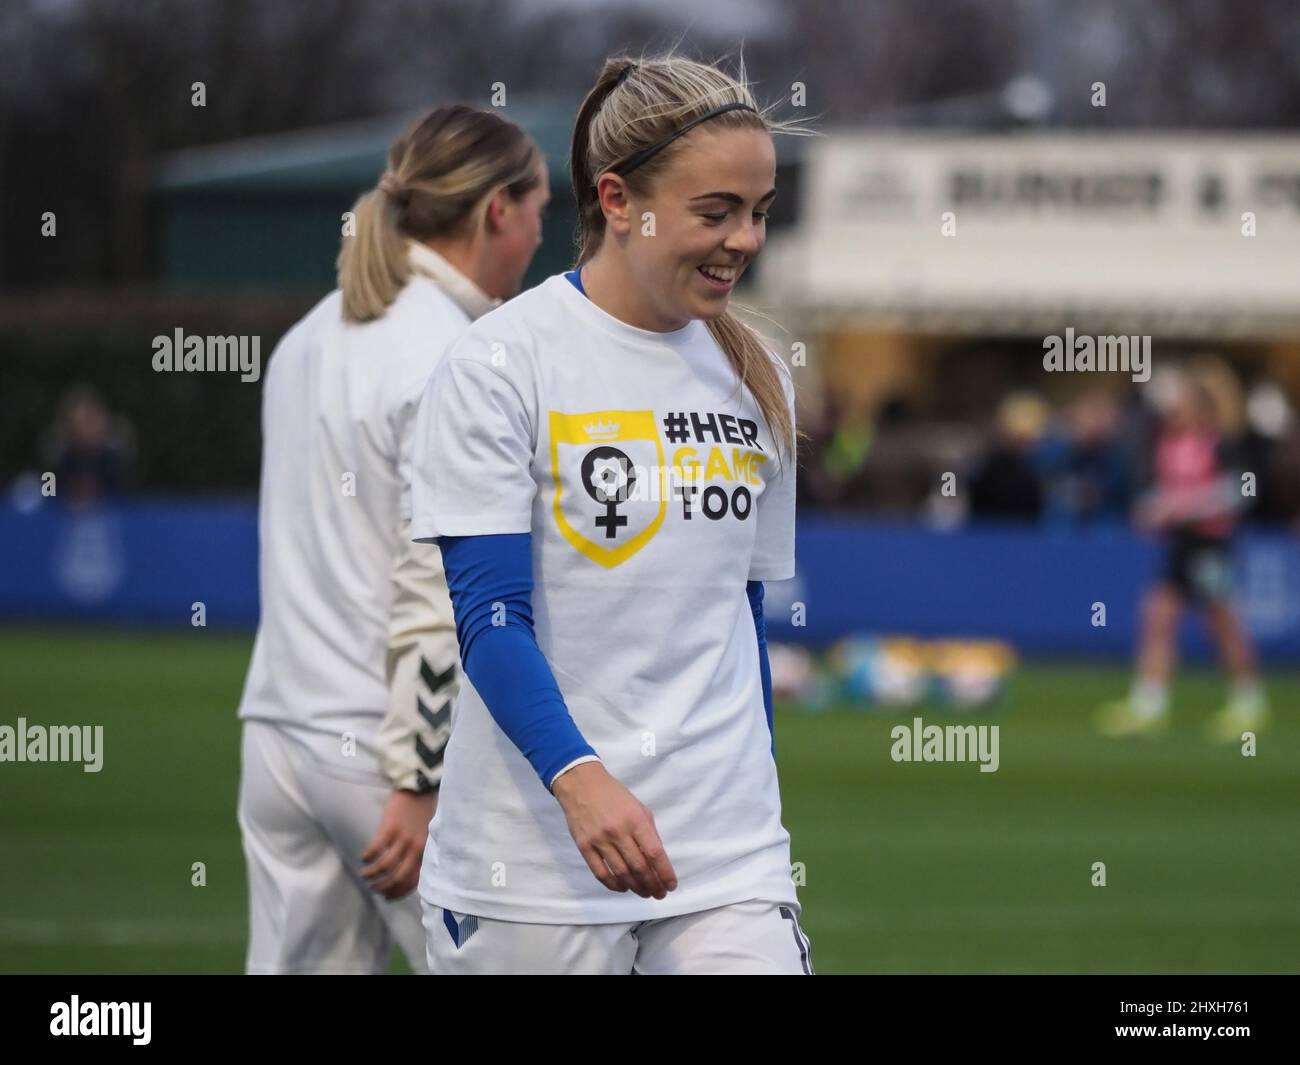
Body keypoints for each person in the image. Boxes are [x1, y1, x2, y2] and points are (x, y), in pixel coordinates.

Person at [409, 52, 814, 975]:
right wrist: (580, 780)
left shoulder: (760, 376)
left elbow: (742, 614)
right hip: (531, 864)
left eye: (760, 210)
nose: (745, 238)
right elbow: (490, 619)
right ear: (619, 199)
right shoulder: (500, 363)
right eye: (716, 211)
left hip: (725, 856)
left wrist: (754, 808)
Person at [235, 104, 548, 973]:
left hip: (276, 738)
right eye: (538, 210)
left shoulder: (307, 336)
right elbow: (434, 585)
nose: (539, 235)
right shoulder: (460, 352)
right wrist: (418, 780)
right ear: (497, 210)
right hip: (383, 762)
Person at [1097, 368, 1268, 742]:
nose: (1174, 411)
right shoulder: (1167, 443)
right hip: (1179, 544)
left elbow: (1242, 493)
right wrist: (1152, 509)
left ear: (1202, 409)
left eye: (1183, 404)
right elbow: (1166, 491)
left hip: (1209, 545)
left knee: (1222, 623)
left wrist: (1186, 508)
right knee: (1157, 616)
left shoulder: (1220, 445)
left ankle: (1248, 703)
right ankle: (1149, 705)